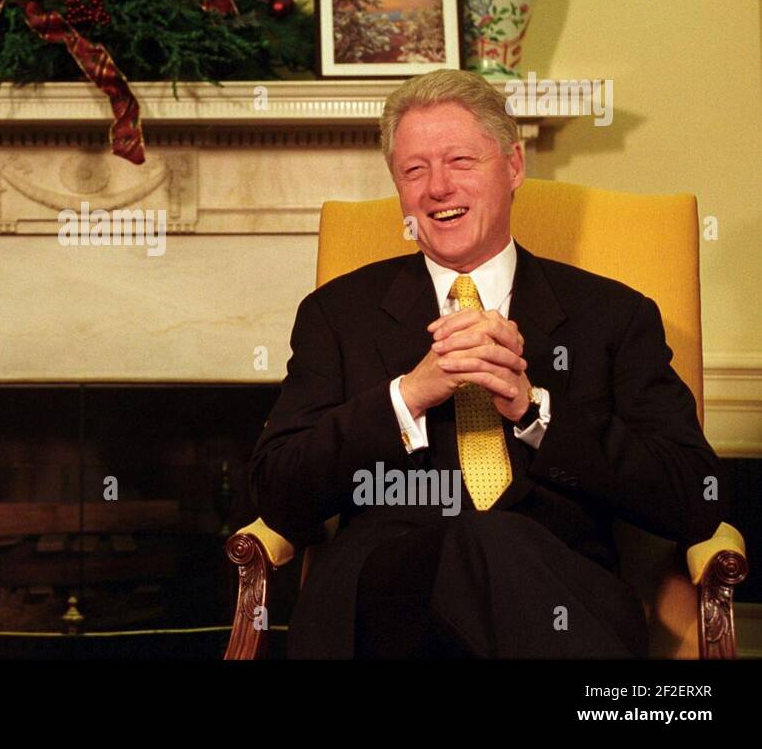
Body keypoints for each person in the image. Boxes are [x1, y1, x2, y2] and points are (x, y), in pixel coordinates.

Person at [250, 69, 723, 659]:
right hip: (386, 604)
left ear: (515, 166)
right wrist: (405, 398)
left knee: (491, 538)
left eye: (460, 161)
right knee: (468, 541)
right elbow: (279, 492)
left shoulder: (613, 315)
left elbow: (694, 497)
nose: (437, 188)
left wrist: (535, 411)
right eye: (414, 170)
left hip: (555, 597)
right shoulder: (337, 314)